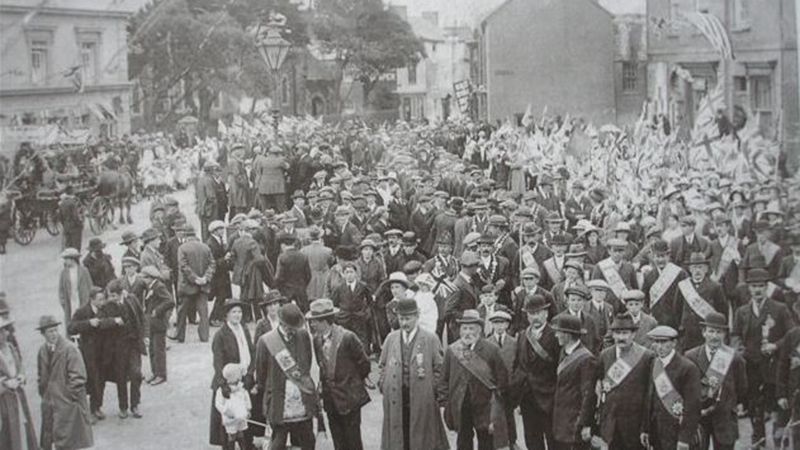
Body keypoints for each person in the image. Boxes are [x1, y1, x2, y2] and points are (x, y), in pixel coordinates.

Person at [731, 268, 795, 448]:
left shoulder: (780, 309)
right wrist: (740, 350)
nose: (757, 290)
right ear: (749, 289)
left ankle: (778, 440)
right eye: (753, 286)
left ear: (766, 287)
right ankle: (758, 441)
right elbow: (735, 335)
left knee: (776, 407)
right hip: (751, 367)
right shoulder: (741, 312)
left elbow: (793, 335)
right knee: (754, 406)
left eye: (760, 286)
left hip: (774, 367)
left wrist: (776, 346)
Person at [379, 298, 449, 450]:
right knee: (399, 435)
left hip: (422, 399)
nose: (404, 323)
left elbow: (440, 369)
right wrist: (384, 383)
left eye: (408, 318)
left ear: (417, 316)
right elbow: (382, 365)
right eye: (401, 318)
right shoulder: (391, 339)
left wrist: (432, 390)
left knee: (422, 438)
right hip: (397, 397)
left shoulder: (430, 339)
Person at [306, 299, 371, 450]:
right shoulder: (316, 340)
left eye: (314, 321)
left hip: (349, 399)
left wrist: (352, 382)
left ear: (325, 321)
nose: (312, 324)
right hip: (331, 400)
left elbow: (364, 364)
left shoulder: (347, 337)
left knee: (353, 440)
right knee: (338, 440)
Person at [441, 308, 509, 450]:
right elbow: (444, 380)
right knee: (463, 441)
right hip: (460, 404)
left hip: (485, 405)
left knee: (486, 442)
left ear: (479, 330)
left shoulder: (491, 350)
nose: (467, 332)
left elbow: (502, 380)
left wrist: (497, 406)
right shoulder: (452, 351)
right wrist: (445, 403)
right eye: (464, 328)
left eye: (471, 328)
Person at [255, 303, 320, 450]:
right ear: (281, 323)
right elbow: (261, 373)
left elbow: (307, 363)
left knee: (308, 440)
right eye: (290, 327)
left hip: (302, 398)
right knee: (278, 442)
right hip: (279, 401)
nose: (293, 330)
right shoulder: (266, 341)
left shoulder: (303, 335)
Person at [685, 311, 747, 450]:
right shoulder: (690, 356)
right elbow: (687, 388)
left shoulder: (734, 358)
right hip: (699, 416)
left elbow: (741, 387)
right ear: (703, 332)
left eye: (719, 332)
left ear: (724, 334)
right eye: (711, 331)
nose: (714, 336)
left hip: (725, 417)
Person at [594, 313, 654, 450]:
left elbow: (649, 395)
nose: (621, 337)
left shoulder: (646, 357)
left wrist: (646, 427)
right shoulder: (604, 355)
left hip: (634, 425)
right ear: (613, 335)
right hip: (610, 425)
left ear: (633, 334)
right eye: (618, 333)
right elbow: (598, 387)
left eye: (625, 333)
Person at [36, 315, 94, 450]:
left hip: (68, 404)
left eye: (56, 330)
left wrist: (68, 397)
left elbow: (79, 377)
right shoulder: (42, 351)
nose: (54, 334)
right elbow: (41, 375)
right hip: (50, 403)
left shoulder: (69, 349)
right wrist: (44, 393)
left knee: (69, 442)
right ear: (43, 333)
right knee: (52, 438)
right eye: (50, 331)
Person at [512, 294, 559, 450]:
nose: (535, 317)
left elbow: (561, 368)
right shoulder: (521, 336)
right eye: (531, 313)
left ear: (546, 313)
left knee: (553, 439)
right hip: (527, 398)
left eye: (538, 312)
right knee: (532, 439)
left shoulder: (556, 335)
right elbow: (517, 366)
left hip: (550, 397)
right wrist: (517, 394)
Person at [645, 325, 702, 450]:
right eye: (656, 342)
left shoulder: (688, 368)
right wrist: (645, 429)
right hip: (656, 431)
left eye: (664, 342)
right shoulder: (653, 364)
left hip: (677, 432)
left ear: (674, 343)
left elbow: (692, 407)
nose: (659, 346)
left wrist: (684, 439)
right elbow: (649, 400)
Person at [210, 299, 256, 449]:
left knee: (245, 419)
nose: (238, 315)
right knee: (228, 422)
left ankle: (247, 445)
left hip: (244, 380)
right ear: (227, 315)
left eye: (240, 312)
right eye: (234, 312)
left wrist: (250, 373)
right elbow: (218, 363)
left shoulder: (244, 329)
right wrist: (224, 385)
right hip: (229, 382)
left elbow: (252, 351)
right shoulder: (221, 335)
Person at [67, 286, 118, 422]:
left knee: (101, 380)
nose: (103, 302)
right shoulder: (83, 311)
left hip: (104, 352)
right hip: (88, 353)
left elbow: (111, 322)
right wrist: (88, 323)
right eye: (100, 299)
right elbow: (71, 328)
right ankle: (87, 411)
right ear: (92, 299)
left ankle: (96, 407)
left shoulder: (105, 309)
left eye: (103, 299)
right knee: (90, 380)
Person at [552, 314, 597, 450]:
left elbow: (588, 395)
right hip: (561, 422)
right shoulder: (564, 352)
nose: (556, 335)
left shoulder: (586, 359)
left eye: (559, 332)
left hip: (574, 424)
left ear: (568, 335)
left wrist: (584, 423)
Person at [105, 279, 147, 419]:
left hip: (134, 344)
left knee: (136, 373)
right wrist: (113, 321)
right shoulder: (108, 306)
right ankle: (123, 407)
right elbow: (102, 323)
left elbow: (141, 317)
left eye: (113, 296)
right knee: (120, 377)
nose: (111, 299)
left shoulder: (132, 299)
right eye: (110, 296)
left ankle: (135, 405)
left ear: (121, 293)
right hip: (118, 348)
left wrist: (144, 336)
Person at [676, 252, 728, 351]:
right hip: (687, 333)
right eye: (694, 267)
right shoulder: (683, 286)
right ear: (690, 269)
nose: (697, 270)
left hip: (706, 334)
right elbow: (677, 309)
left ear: (706, 269)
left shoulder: (715, 287)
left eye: (700, 267)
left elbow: (722, 311)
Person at [0, 315, 37, 450]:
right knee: (8, 431)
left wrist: (21, 376)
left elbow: (19, 365)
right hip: (3, 401)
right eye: (1, 331)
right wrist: (5, 384)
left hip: (18, 396)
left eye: (5, 330)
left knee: (23, 425)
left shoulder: (10, 347)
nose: (5, 334)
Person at [175, 224, 215, 343]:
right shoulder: (205, 247)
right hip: (203, 286)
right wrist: (205, 278)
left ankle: (180, 335)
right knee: (203, 312)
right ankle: (204, 336)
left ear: (185, 235)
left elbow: (183, 266)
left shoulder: (182, 248)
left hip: (187, 286)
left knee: (182, 312)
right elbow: (212, 264)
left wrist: (194, 278)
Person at [486, 307, 518, 448]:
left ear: (507, 325)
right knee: (495, 416)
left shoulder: (514, 343)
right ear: (492, 325)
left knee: (509, 414)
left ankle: (512, 441)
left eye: (502, 323)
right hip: (494, 387)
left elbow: (517, 365)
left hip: (510, 386)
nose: (499, 326)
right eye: (496, 323)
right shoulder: (486, 343)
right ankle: (496, 443)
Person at [140, 265, 174, 386]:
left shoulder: (158, 286)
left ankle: (161, 374)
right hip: (152, 323)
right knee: (152, 349)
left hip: (159, 323)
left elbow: (170, 301)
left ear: (150, 277)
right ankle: (155, 372)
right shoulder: (151, 287)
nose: (143, 280)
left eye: (144, 277)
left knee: (158, 350)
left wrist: (157, 310)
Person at [330, 261, 372, 347]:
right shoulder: (339, 288)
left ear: (356, 273)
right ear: (344, 274)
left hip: (359, 318)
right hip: (344, 319)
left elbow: (370, 301)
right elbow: (334, 304)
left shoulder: (362, 286)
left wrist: (365, 313)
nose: (349, 275)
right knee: (344, 341)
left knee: (361, 342)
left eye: (351, 272)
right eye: (347, 272)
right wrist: (339, 315)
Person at [214, 363, 252, 450]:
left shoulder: (241, 388)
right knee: (232, 435)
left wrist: (248, 409)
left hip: (241, 416)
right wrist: (226, 411)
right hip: (231, 418)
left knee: (241, 433)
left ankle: (244, 448)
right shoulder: (222, 391)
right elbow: (218, 404)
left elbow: (246, 399)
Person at [445, 251, 481, 340]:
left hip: (468, 327)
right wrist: (465, 314)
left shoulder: (470, 280)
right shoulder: (457, 285)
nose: (477, 268)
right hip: (459, 330)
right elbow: (448, 310)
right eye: (476, 265)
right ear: (470, 267)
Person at [274, 233, 312, 312]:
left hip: (287, 293)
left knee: (287, 315)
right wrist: (302, 285)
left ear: (283, 245)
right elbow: (308, 275)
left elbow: (279, 277)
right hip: (301, 292)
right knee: (303, 314)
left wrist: (279, 288)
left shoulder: (282, 257)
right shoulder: (303, 256)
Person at [57, 248, 92, 331]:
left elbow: (90, 286)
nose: (65, 261)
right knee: (72, 321)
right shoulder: (64, 273)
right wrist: (64, 303)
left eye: (66, 259)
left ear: (73, 259)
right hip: (71, 302)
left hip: (83, 300)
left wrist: (89, 301)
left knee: (84, 320)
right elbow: (61, 289)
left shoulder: (84, 270)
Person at [207, 220, 232, 327]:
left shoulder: (219, 241)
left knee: (223, 296)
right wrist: (224, 258)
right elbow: (211, 261)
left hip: (222, 274)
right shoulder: (211, 243)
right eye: (220, 229)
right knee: (220, 296)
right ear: (215, 231)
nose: (223, 231)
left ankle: (219, 317)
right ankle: (214, 318)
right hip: (217, 275)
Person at [301, 227, 334, 301]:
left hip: (310, 279)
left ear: (310, 238)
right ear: (320, 237)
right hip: (324, 278)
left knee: (312, 301)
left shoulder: (304, 251)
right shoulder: (328, 250)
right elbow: (331, 262)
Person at [197, 161, 220, 242]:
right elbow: (211, 196)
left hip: (202, 209)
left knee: (204, 230)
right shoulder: (209, 180)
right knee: (211, 229)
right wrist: (216, 203)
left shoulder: (201, 180)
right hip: (209, 209)